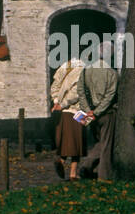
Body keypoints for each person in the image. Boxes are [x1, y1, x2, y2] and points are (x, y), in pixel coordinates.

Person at [76, 41, 119, 180]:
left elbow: (81, 92)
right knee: (106, 144)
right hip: (106, 113)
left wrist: (88, 110)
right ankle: (103, 175)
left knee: (99, 142)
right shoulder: (112, 73)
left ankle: (86, 168)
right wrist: (97, 111)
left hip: (89, 114)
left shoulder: (86, 71)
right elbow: (110, 96)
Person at [49, 57, 85, 181]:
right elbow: (76, 92)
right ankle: (73, 173)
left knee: (66, 141)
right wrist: (63, 103)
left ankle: (61, 161)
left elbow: (54, 86)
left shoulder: (64, 67)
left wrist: (56, 102)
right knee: (78, 142)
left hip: (62, 112)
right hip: (78, 110)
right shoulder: (83, 69)